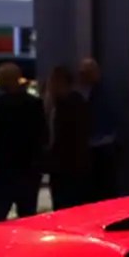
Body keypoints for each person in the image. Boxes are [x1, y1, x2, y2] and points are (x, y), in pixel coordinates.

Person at [0, 62, 48, 222]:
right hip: (29, 168)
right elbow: (42, 135)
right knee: (27, 216)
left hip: (3, 168)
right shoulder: (34, 104)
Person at [45, 66, 91, 210]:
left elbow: (69, 138)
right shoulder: (59, 104)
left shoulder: (71, 105)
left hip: (69, 168)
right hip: (65, 168)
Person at [78, 58, 118, 202]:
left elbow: (102, 118)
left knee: (103, 187)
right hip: (96, 145)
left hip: (101, 145)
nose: (82, 77)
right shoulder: (89, 92)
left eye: (86, 73)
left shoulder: (102, 93)